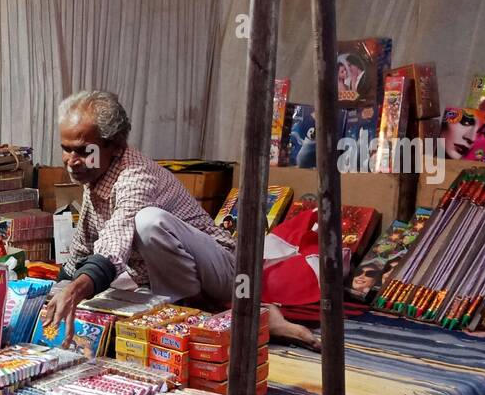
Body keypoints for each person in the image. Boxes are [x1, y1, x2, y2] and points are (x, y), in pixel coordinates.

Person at [42, 89, 319, 349]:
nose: (71, 160)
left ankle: (195, 311)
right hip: (166, 278)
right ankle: (229, 313)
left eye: (82, 150)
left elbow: (115, 237)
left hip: (219, 270)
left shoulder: (135, 176)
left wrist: (78, 289)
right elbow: (83, 247)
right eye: (66, 148)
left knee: (147, 222)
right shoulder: (95, 178)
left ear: (115, 145)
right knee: (105, 288)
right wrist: (56, 290)